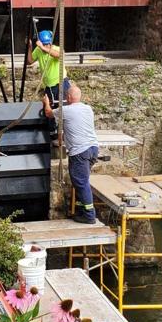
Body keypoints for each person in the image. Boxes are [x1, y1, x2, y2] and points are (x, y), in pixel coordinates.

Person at [61, 84, 100, 223]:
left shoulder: (66, 110)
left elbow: (48, 113)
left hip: (79, 152)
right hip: (93, 149)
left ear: (69, 97)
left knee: (81, 183)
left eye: (66, 96)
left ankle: (89, 216)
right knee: (80, 182)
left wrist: (46, 103)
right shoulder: (88, 108)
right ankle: (81, 211)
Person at [26, 29, 70, 124]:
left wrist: (43, 47)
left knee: (64, 107)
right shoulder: (38, 50)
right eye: (44, 44)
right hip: (49, 86)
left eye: (47, 44)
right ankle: (52, 131)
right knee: (49, 108)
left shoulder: (57, 49)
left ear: (50, 43)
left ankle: (65, 129)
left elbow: (59, 55)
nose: (46, 46)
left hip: (61, 83)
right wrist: (29, 47)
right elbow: (30, 61)